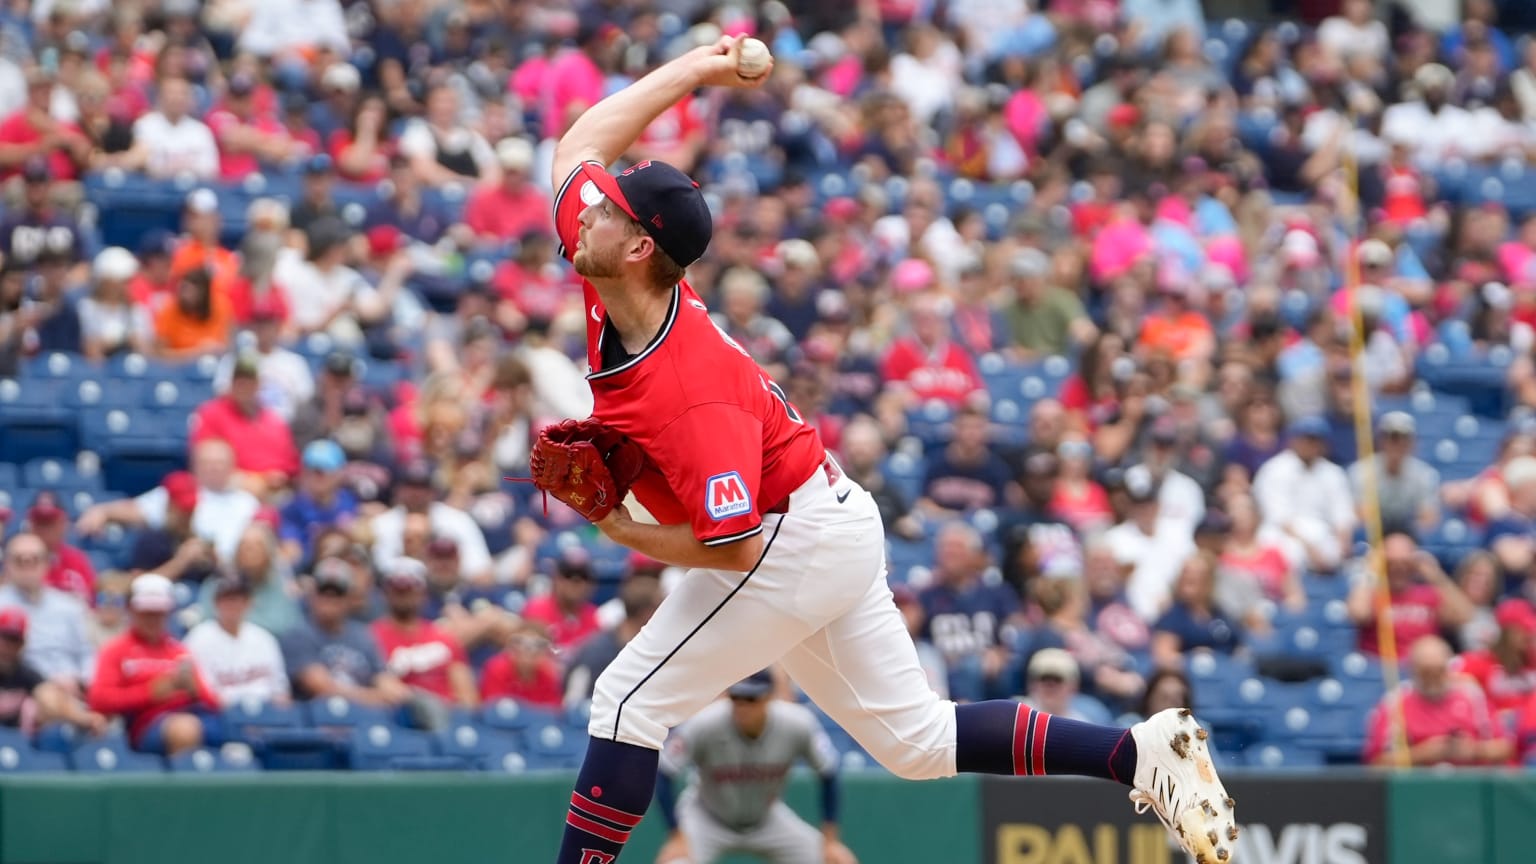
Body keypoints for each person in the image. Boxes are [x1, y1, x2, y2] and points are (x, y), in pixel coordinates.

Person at [540, 39, 1235, 864]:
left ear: (639, 249)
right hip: (822, 520)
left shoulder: (693, 391)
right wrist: (695, 70)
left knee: (626, 703)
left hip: (785, 538)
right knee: (918, 745)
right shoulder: (612, 268)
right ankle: (1135, 755)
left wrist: (623, 532)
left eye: (608, 208)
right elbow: (577, 146)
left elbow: (735, 548)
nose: (586, 207)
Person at [654, 671, 857, 864]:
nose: (742, 706)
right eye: (736, 697)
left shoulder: (797, 723)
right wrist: (676, 835)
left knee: (835, 861)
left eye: (751, 699)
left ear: (769, 697)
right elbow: (663, 771)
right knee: (676, 862)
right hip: (706, 817)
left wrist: (830, 840)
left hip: (767, 818)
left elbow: (829, 773)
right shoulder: (705, 723)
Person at [88, 574, 223, 756]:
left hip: (192, 715)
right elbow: (99, 699)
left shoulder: (179, 650)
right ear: (132, 610)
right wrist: (149, 692)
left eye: (159, 613)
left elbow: (212, 702)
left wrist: (194, 689)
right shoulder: (116, 650)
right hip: (145, 724)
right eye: (147, 613)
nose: (153, 619)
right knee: (184, 729)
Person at [280, 558, 412, 707]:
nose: (329, 599)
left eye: (337, 593)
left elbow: (383, 678)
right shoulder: (298, 634)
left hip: (364, 721)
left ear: (349, 598)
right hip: (318, 722)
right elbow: (323, 689)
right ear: (312, 595)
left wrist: (402, 695)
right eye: (323, 591)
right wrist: (378, 698)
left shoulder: (362, 635)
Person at [1363, 635, 1511, 767]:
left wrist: (1474, 750)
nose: (1433, 677)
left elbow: (1504, 748)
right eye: (1426, 672)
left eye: (1439, 670)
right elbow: (1376, 763)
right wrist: (1422, 753)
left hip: (1469, 784)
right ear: (1413, 670)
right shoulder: (1395, 703)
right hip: (1415, 788)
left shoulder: (1471, 696)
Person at [0, 533, 94, 690]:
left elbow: (87, 652)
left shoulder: (70, 606)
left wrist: (82, 681)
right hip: (19, 688)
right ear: (7, 564)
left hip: (72, 687)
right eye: (19, 560)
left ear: (47, 563)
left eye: (34, 559)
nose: (27, 566)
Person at [183, 575, 290, 707]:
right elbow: (193, 689)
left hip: (265, 713)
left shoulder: (264, 637)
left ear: (249, 603)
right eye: (227, 599)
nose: (232, 605)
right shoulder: (198, 638)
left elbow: (281, 691)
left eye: (238, 599)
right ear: (216, 603)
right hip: (216, 713)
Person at [0, 607, 107, 735]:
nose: (8, 646)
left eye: (14, 640)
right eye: (4, 637)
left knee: (36, 709)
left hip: (16, 742)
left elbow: (49, 697)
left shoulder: (24, 673)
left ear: (22, 643)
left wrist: (84, 719)